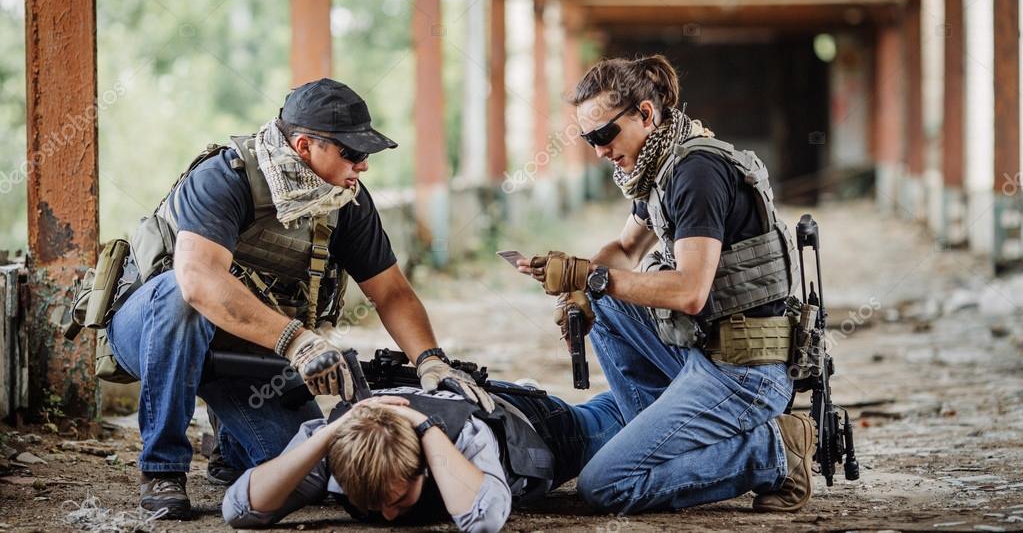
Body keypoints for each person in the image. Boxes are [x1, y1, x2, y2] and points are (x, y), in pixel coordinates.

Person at [106, 78, 493, 519]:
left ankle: (230, 444)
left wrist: (430, 361)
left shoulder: (345, 201)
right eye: (352, 153)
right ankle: (162, 468)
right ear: (305, 145)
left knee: (311, 475)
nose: (363, 166)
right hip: (154, 333)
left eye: (366, 153)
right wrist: (301, 343)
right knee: (180, 298)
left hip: (244, 356)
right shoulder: (225, 178)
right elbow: (197, 280)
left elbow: (390, 292)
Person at [517, 55, 816, 514]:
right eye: (588, 139)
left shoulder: (697, 172)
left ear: (645, 114)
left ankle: (775, 451)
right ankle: (657, 431)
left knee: (604, 487)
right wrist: (580, 281)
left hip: (746, 372)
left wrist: (593, 279)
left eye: (604, 135)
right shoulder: (659, 168)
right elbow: (624, 249)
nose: (598, 151)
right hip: (704, 352)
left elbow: (689, 292)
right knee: (608, 303)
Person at [222, 384, 624, 531]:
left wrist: (425, 426)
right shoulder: (335, 450)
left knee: (623, 412)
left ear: (425, 467)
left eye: (398, 499)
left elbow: (484, 517)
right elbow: (238, 510)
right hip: (426, 405)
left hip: (543, 428)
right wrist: (324, 435)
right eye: (372, 505)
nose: (389, 517)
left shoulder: (464, 436)